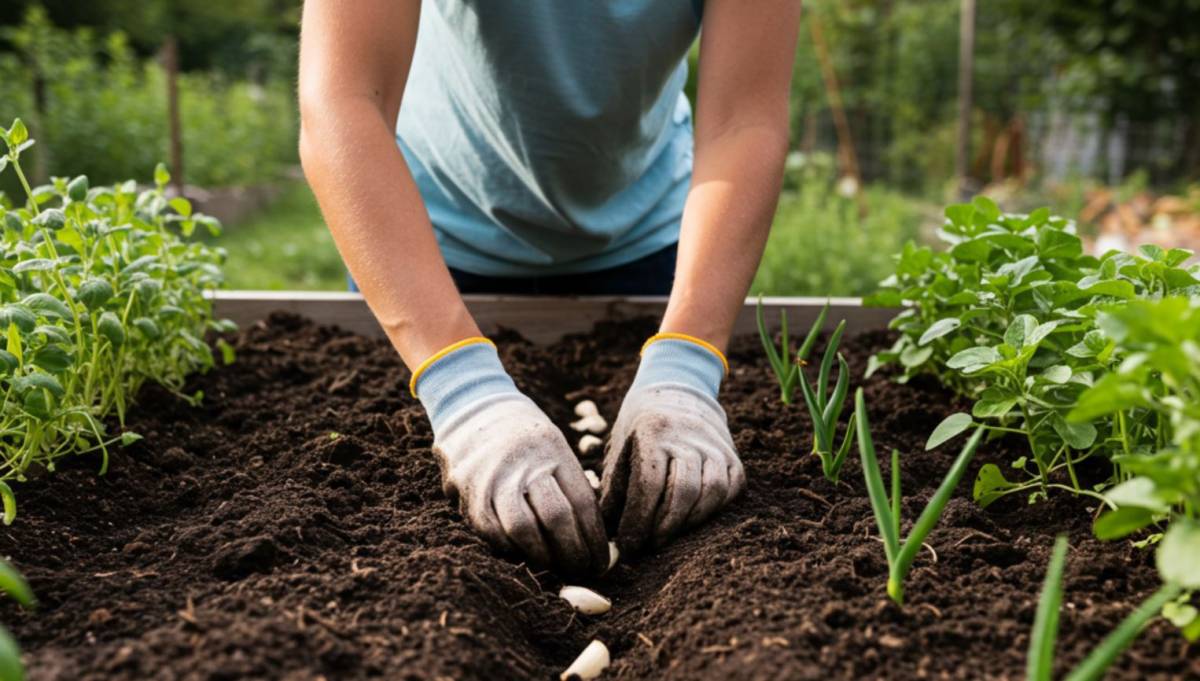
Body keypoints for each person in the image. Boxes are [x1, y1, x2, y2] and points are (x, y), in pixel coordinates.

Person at [298, 1, 801, 575]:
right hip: (424, 245)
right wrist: (462, 391)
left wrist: (688, 364)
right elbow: (344, 100)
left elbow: (745, 119)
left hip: (654, 240)